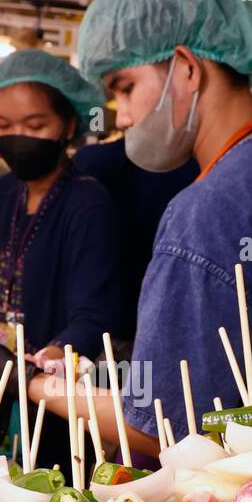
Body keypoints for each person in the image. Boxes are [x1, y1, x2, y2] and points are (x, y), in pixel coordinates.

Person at [16, 0, 252, 454]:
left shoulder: (206, 208)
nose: (120, 115)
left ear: (188, 69)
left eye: (125, 88)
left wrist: (30, 383)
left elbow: (162, 425)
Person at [0, 48, 120, 365]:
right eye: (3, 125)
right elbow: (6, 269)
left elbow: (93, 316)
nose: (18, 138)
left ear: (69, 126)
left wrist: (46, 362)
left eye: (34, 127)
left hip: (54, 392)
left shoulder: (88, 205)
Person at [72, 138, 198, 347]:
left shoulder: (94, 161)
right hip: (154, 324)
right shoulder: (198, 168)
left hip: (106, 329)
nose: (121, 116)